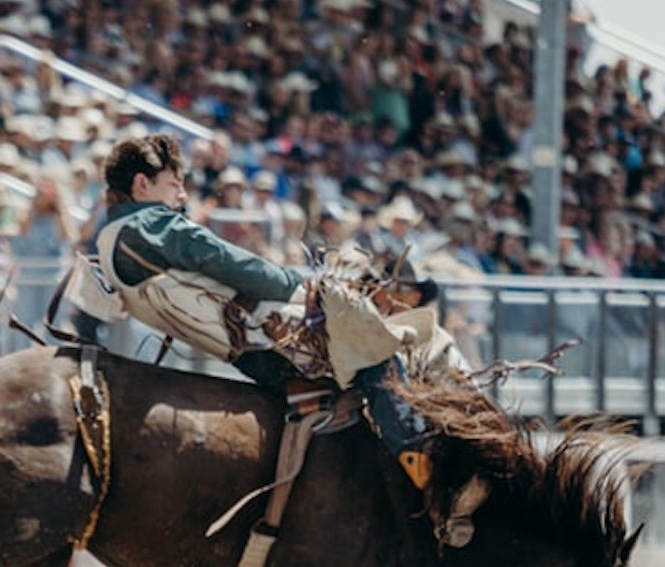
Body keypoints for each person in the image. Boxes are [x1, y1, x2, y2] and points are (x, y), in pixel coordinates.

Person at [92, 133, 433, 487]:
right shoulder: (152, 225)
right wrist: (299, 287)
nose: (182, 195)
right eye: (174, 185)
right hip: (267, 337)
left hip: (245, 351)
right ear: (142, 184)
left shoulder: (109, 238)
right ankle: (419, 458)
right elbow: (226, 260)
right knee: (376, 351)